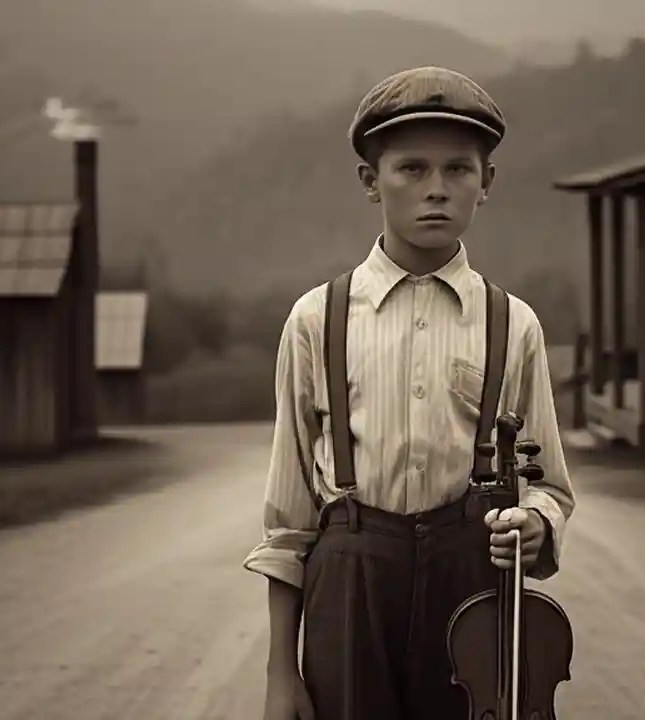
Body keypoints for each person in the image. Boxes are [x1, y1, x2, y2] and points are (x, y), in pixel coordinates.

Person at [244, 65, 576, 720]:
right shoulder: (317, 319)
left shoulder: (514, 324)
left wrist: (535, 521)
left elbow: (551, 485)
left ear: (487, 185)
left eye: (458, 170)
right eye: (412, 169)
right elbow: (287, 520)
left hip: (470, 586)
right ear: (372, 181)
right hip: (349, 580)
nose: (436, 190)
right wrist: (281, 671)